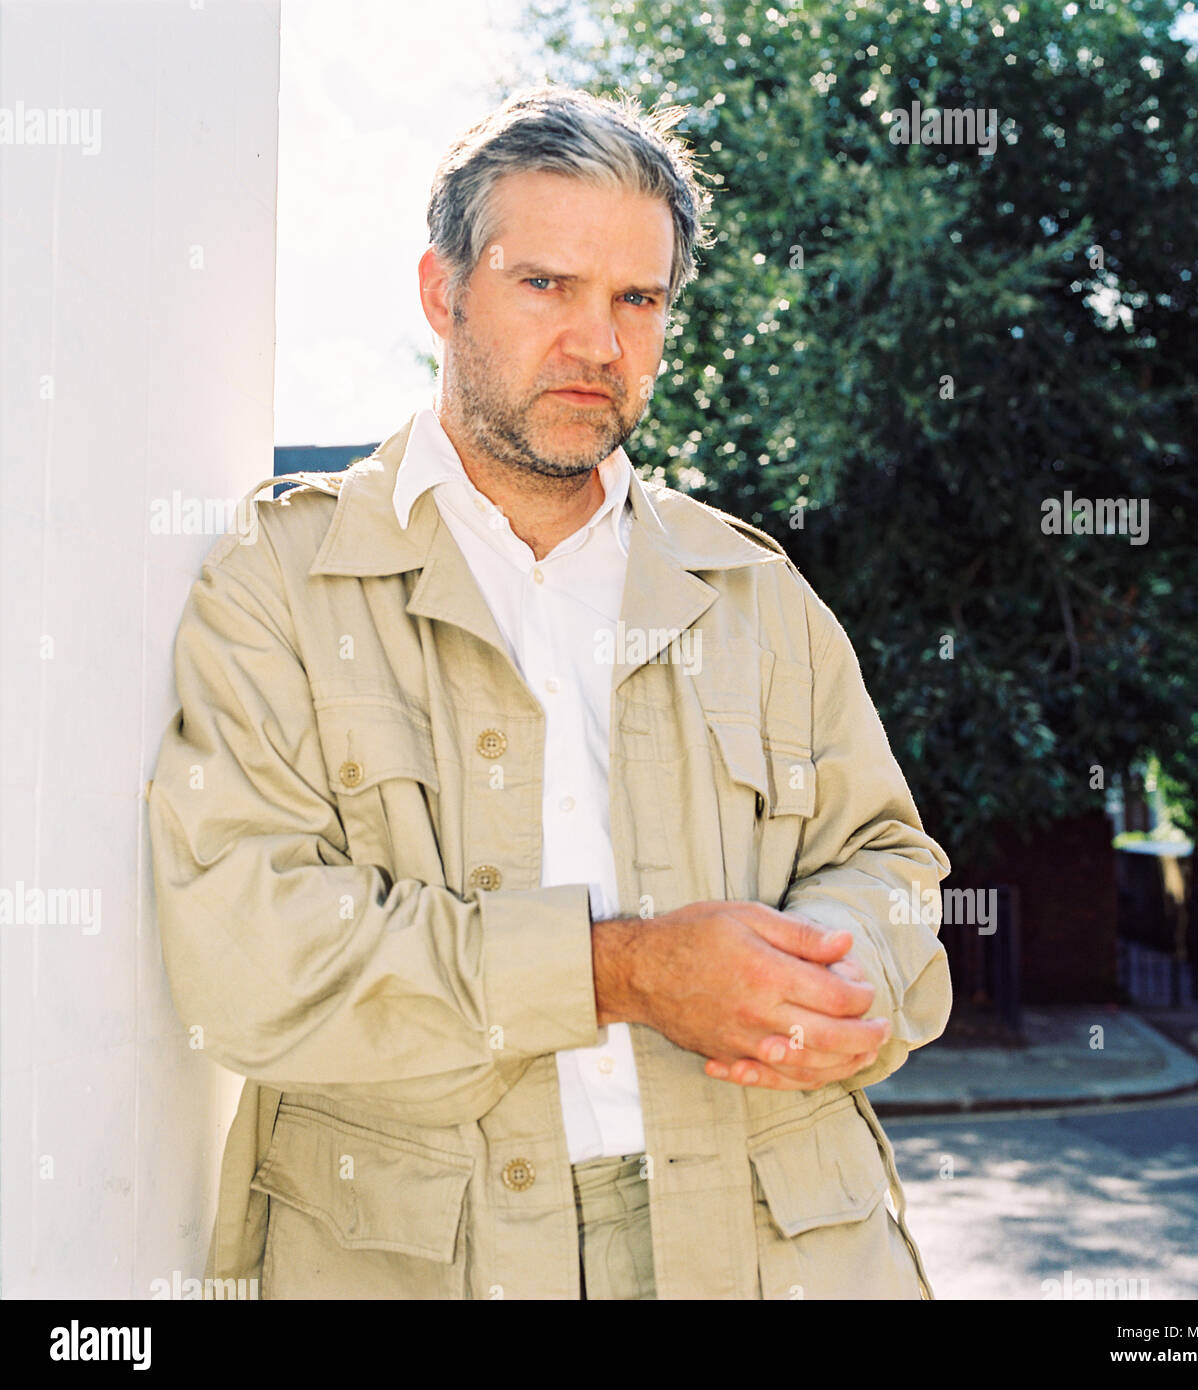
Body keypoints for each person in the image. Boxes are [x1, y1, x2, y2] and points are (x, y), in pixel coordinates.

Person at [148, 85, 953, 1301]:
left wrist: (843, 979)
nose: (599, 342)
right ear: (442, 292)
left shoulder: (749, 588)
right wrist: (619, 970)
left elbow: (886, 859)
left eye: (637, 299)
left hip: (776, 1244)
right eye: (546, 286)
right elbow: (248, 956)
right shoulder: (279, 583)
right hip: (423, 1258)